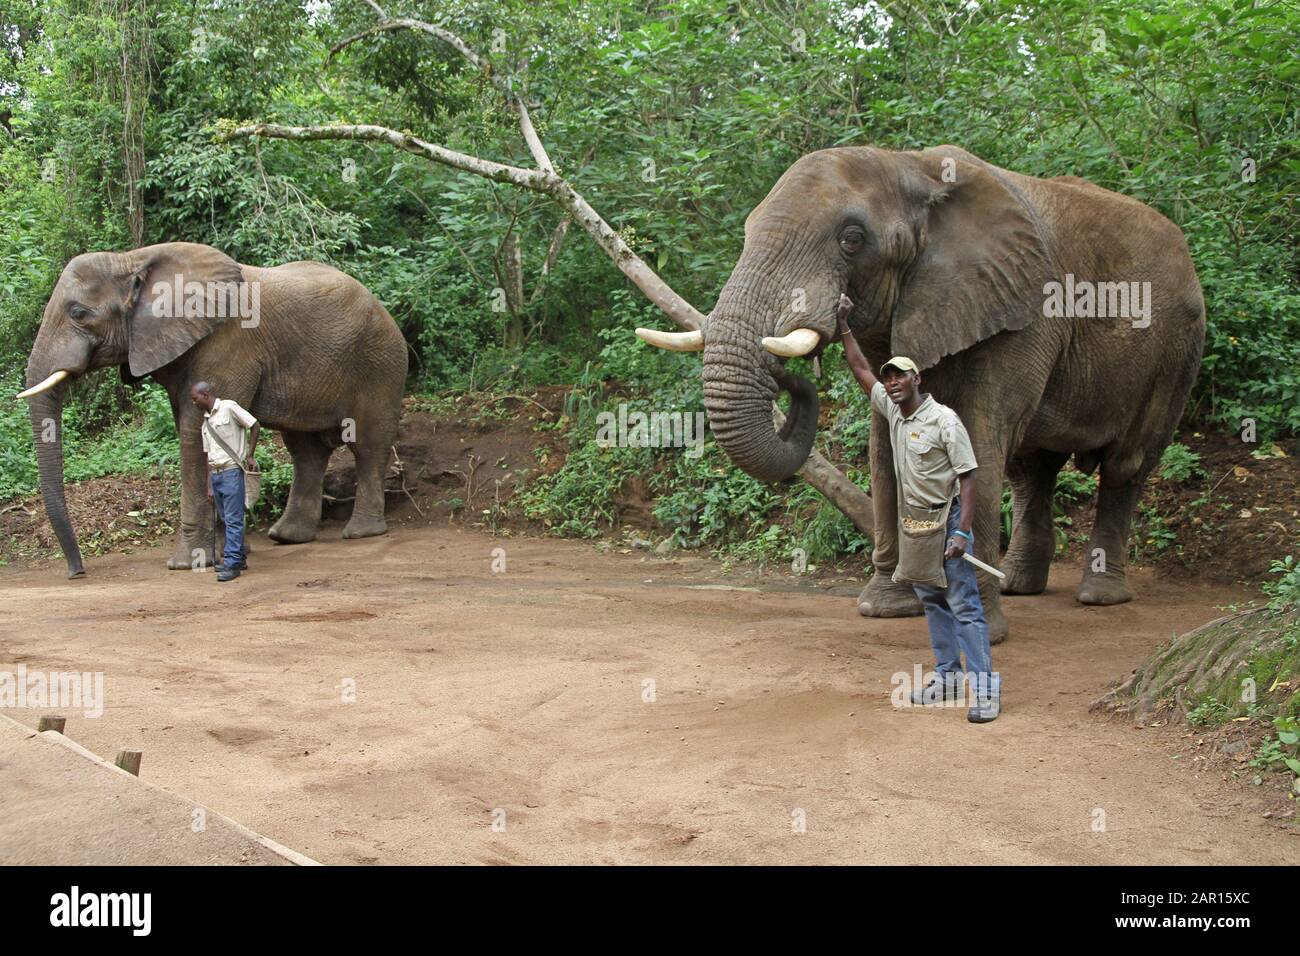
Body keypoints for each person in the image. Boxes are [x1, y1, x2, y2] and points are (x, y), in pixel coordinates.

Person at [833, 295, 1000, 722]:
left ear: (917, 379)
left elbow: (968, 476)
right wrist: (844, 326)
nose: (891, 383)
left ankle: (985, 693)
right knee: (932, 602)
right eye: (888, 378)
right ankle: (947, 678)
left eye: (899, 376)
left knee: (964, 605)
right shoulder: (892, 411)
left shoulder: (944, 421)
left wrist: (963, 532)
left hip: (945, 526)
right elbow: (860, 369)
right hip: (914, 527)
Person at [190, 382, 259, 582]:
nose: (194, 402)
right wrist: (209, 485)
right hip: (217, 475)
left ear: (205, 394)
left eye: (195, 398)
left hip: (231, 472)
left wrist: (250, 455)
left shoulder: (229, 408)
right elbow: (208, 455)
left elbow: (254, 425)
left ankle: (231, 564)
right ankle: (239, 559)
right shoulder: (206, 423)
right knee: (226, 518)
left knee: (233, 519)